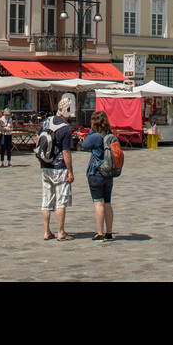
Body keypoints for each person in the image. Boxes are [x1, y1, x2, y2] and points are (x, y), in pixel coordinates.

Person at [39, 93, 77, 241]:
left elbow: (38, 140)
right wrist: (70, 171)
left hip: (45, 165)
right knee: (61, 200)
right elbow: (66, 152)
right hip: (60, 167)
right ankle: (61, 232)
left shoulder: (46, 122)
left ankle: (47, 231)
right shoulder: (66, 128)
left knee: (46, 199)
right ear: (67, 110)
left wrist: (41, 160)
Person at [82, 111, 116, 241]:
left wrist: (91, 132)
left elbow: (84, 145)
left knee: (98, 202)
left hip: (96, 172)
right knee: (107, 202)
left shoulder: (95, 136)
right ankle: (109, 231)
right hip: (109, 173)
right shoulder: (110, 135)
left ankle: (100, 232)